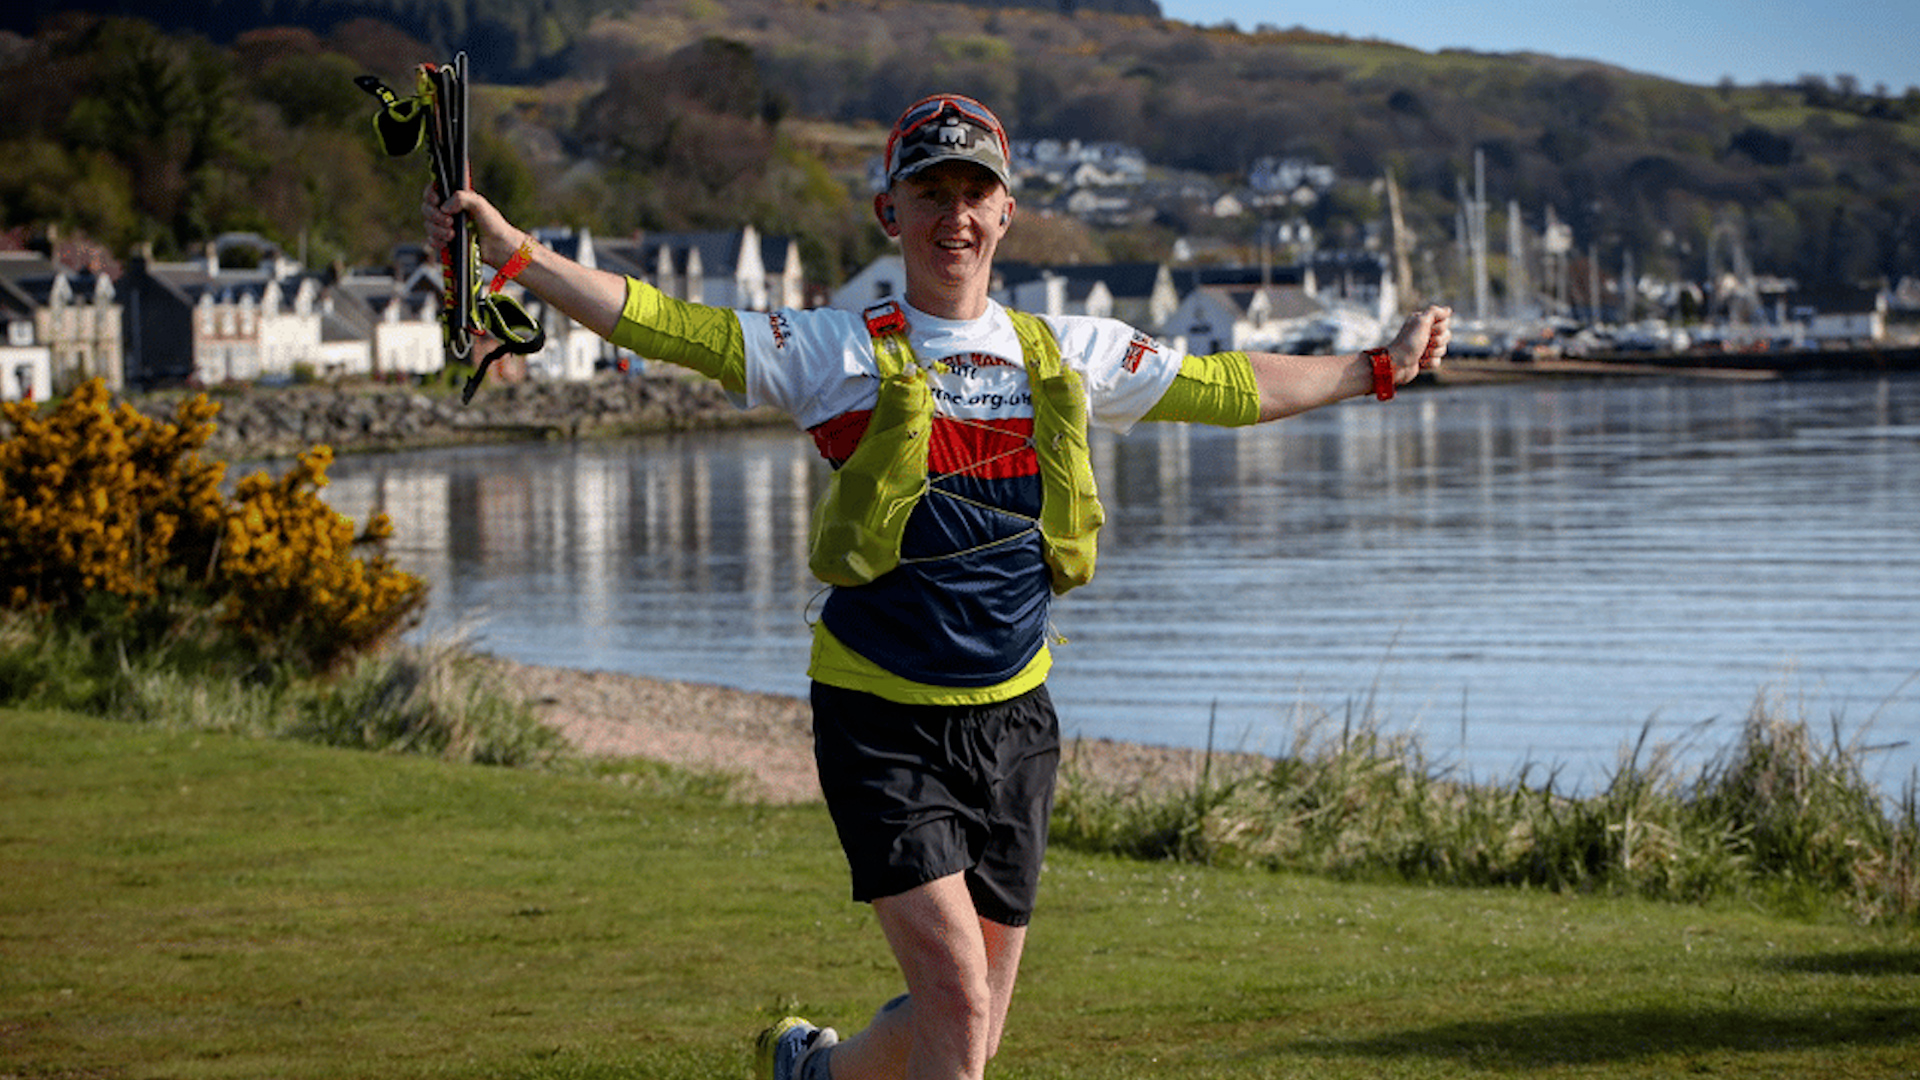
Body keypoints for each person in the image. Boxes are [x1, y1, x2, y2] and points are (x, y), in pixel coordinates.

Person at [425, 92, 1450, 1080]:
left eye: (974, 193)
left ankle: (812, 1068)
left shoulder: (1068, 351)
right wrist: (513, 252)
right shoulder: (834, 349)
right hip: (880, 720)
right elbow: (663, 322)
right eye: (929, 194)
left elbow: (1230, 384)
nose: (953, 215)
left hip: (1016, 722)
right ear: (891, 212)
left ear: (1006, 213)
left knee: (970, 1026)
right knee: (958, 1004)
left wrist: (1377, 368)